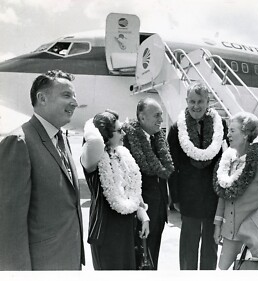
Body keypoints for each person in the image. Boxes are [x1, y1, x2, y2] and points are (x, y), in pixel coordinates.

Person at [0, 70, 85, 270]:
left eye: (74, 96)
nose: (74, 102)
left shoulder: (61, 138)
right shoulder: (19, 142)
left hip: (68, 259)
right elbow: (9, 226)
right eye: (66, 95)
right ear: (42, 98)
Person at [168, 82, 228, 270]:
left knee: (211, 243)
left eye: (200, 101)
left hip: (212, 196)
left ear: (208, 102)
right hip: (189, 196)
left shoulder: (221, 126)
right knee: (189, 244)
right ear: (186, 101)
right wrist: (175, 198)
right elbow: (172, 167)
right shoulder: (177, 128)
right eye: (192, 101)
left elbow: (224, 161)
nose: (196, 106)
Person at [81, 110, 150, 270]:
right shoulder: (93, 158)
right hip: (107, 232)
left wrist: (142, 214)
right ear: (105, 133)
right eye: (119, 130)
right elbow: (95, 141)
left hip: (128, 229)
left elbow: (131, 189)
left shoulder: (122, 155)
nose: (124, 133)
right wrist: (98, 122)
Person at [213, 112, 258, 270]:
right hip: (229, 234)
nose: (228, 134)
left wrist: (256, 221)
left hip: (253, 237)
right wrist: (217, 225)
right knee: (222, 271)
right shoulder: (228, 162)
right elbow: (223, 195)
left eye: (232, 131)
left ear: (245, 134)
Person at [123, 98, 174, 269]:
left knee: (153, 259)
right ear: (142, 117)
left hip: (159, 212)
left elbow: (164, 171)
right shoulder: (128, 140)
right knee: (139, 261)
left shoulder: (159, 138)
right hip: (140, 214)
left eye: (161, 115)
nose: (161, 119)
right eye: (157, 115)